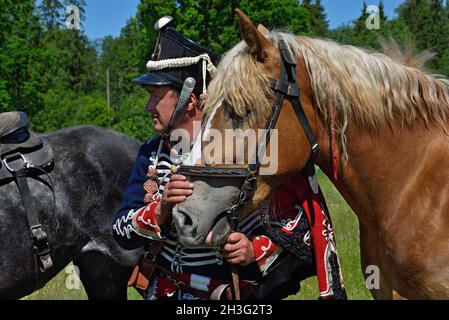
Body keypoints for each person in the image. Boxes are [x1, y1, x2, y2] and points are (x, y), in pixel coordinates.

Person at [112, 16, 346, 300]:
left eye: (156, 95)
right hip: (165, 291)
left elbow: (299, 229)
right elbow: (121, 230)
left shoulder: (244, 150)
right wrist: (161, 210)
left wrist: (253, 250)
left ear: (190, 98)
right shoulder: (152, 154)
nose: (149, 106)